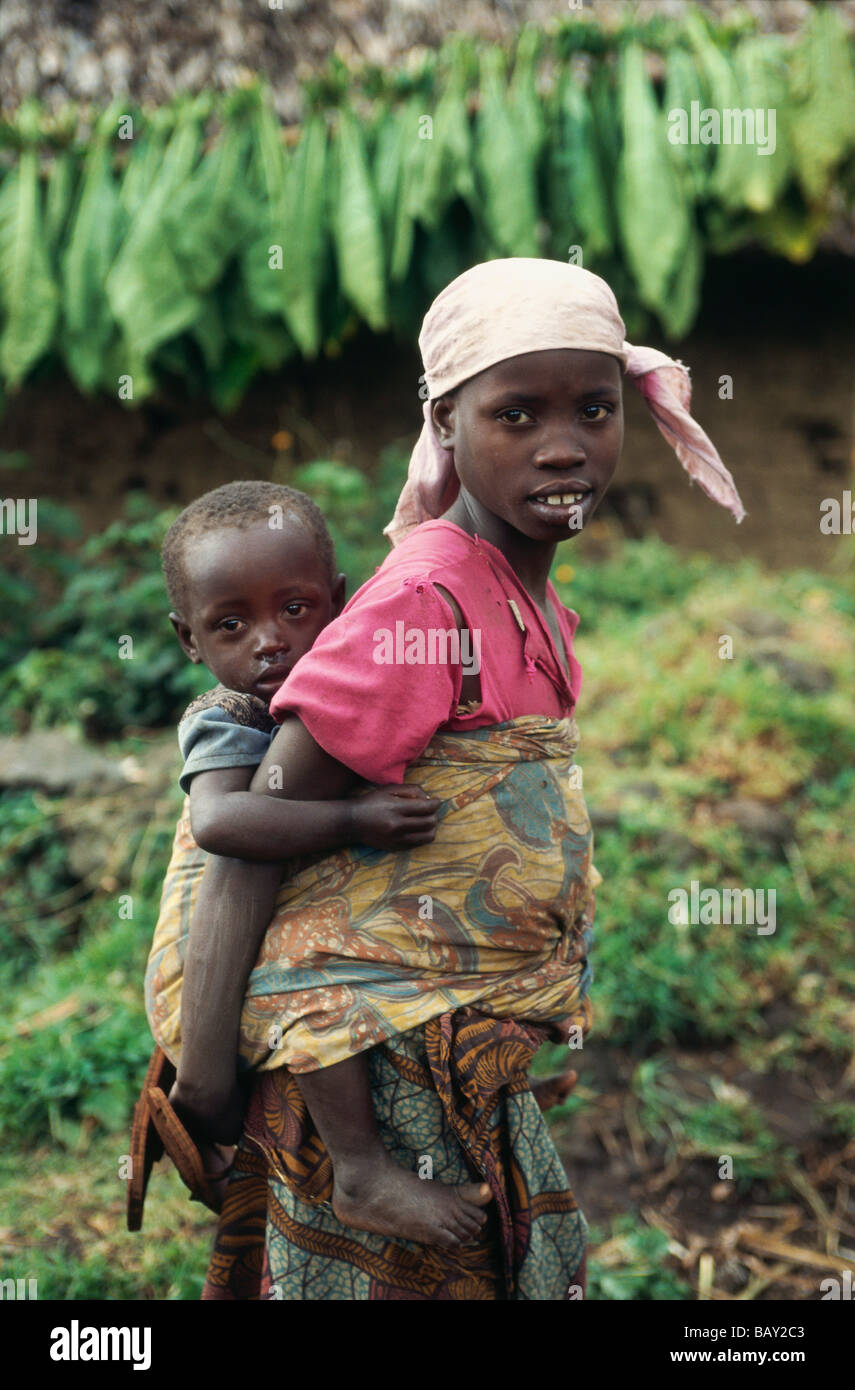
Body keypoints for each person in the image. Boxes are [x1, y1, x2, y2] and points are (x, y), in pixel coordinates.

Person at [148, 258, 745, 1300]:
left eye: (593, 409)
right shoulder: (419, 607)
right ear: (446, 425)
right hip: (374, 1073)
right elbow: (245, 838)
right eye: (516, 414)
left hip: (456, 1048)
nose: (564, 445)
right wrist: (202, 1085)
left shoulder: (526, 598)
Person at [129, 480, 443, 1221]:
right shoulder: (227, 716)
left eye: (294, 609)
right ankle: (354, 1169)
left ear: (338, 600)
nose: (269, 639)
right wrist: (351, 819)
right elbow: (220, 823)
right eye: (231, 624)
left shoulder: (336, 691)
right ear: (188, 639)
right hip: (238, 938)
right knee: (305, 986)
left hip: (321, 905)